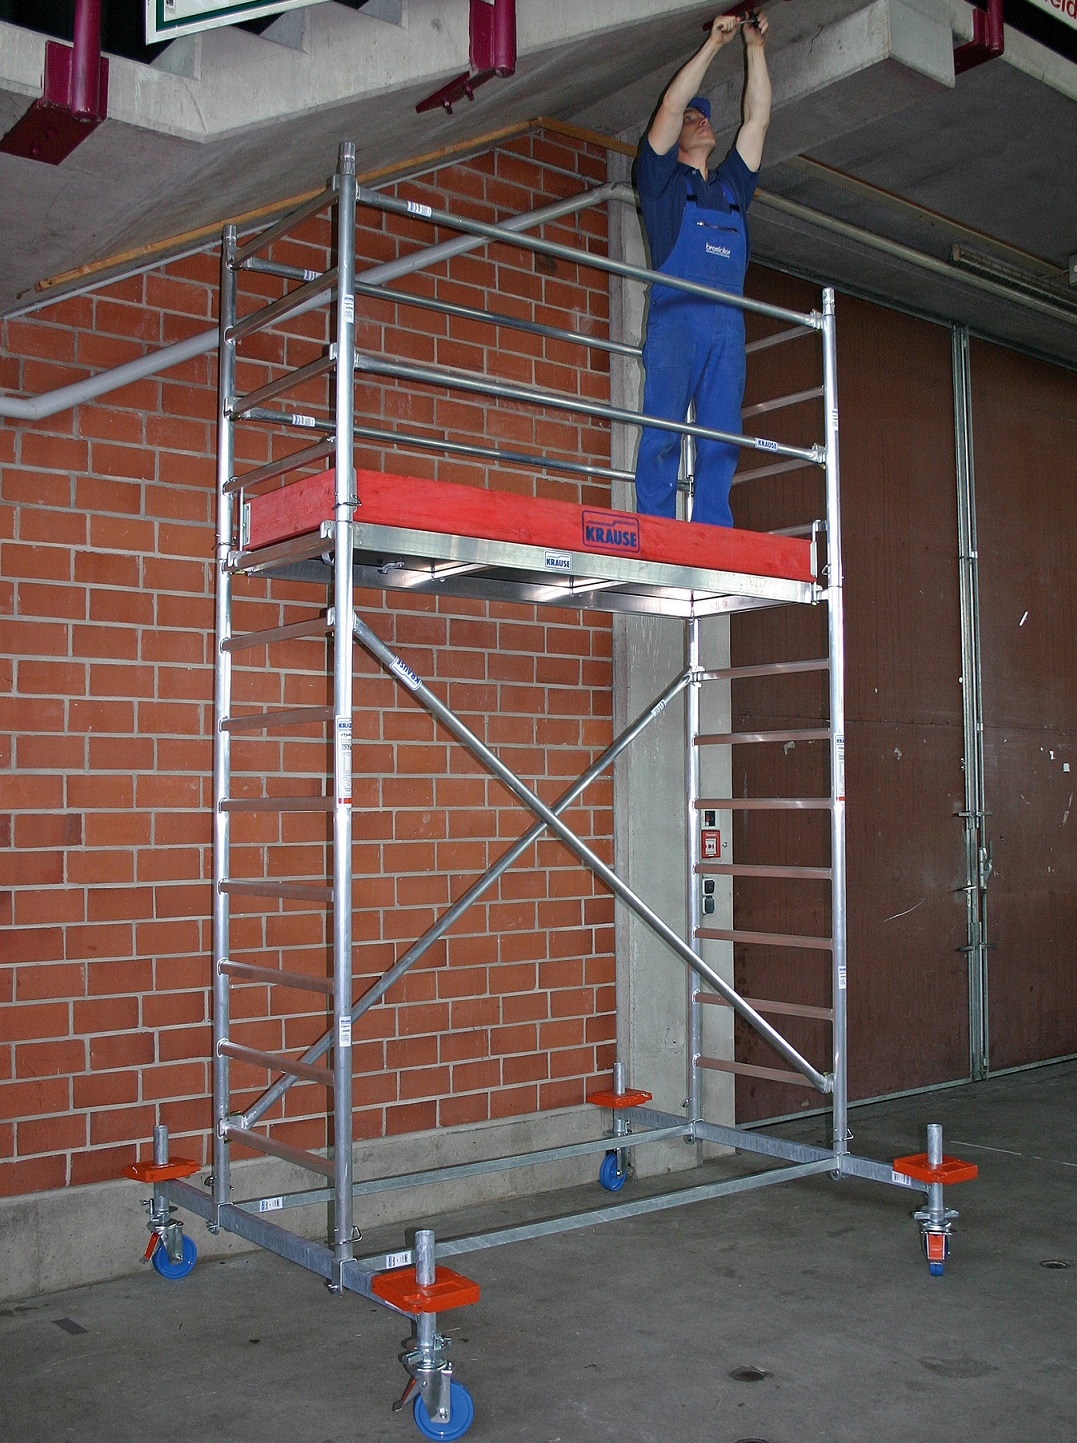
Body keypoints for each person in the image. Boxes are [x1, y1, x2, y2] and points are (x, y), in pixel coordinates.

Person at [633, 11, 771, 528]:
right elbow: (671, 106)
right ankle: (654, 529)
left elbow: (757, 120)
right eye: (694, 119)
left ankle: (713, 529)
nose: (702, 121)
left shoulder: (732, 187)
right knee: (662, 432)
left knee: (722, 438)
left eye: (705, 116)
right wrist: (714, 44)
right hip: (676, 323)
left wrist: (755, 49)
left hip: (727, 331)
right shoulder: (660, 186)